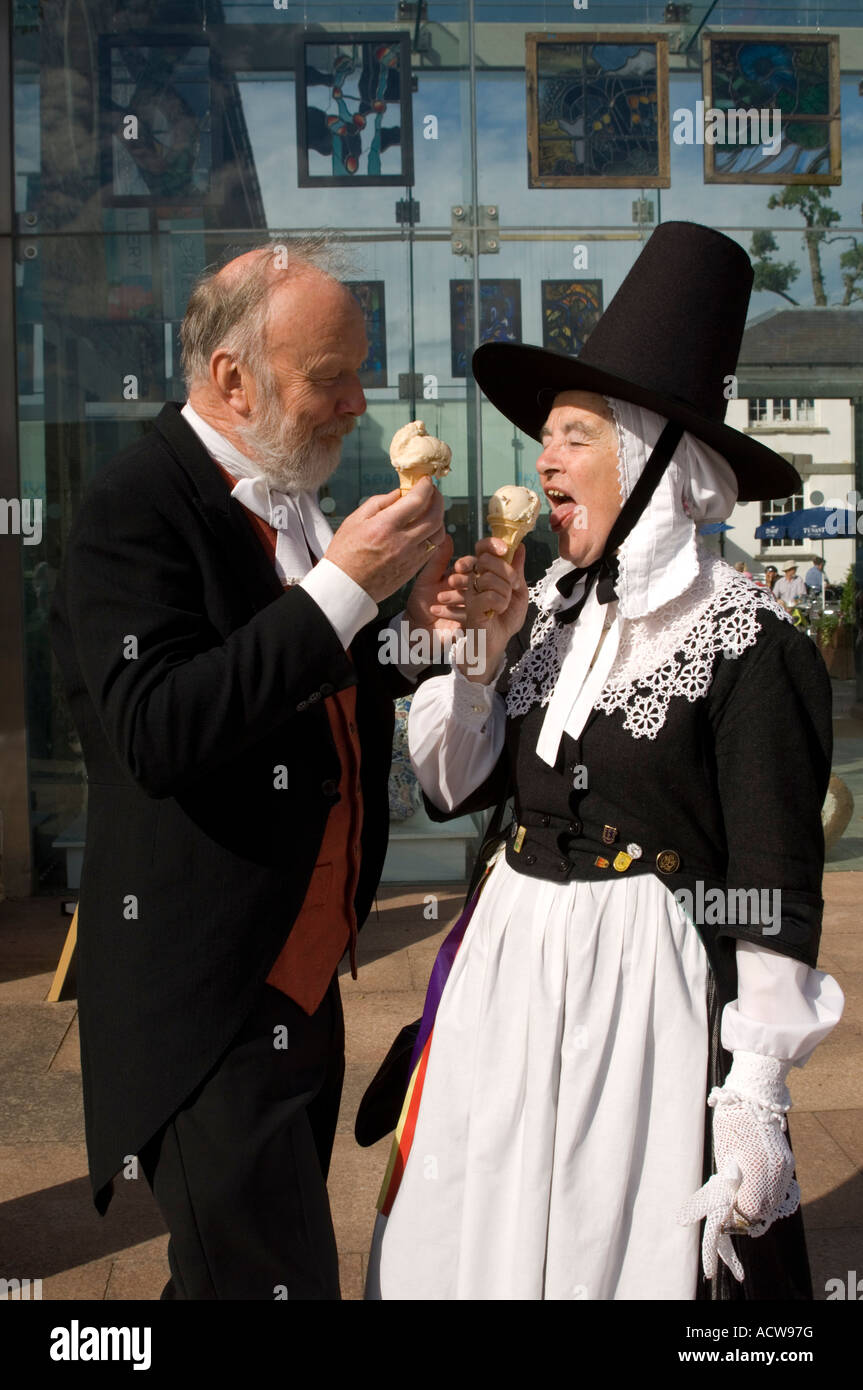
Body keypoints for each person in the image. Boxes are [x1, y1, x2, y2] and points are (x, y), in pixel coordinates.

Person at [365, 222, 843, 1301]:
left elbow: (770, 886)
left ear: (653, 454)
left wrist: (753, 1096)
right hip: (507, 987)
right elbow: (449, 787)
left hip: (642, 1011)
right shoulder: (544, 611)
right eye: (545, 436)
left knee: (609, 1248)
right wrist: (474, 666)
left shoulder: (748, 647)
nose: (541, 460)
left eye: (571, 434)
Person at [49, 238, 455, 1300]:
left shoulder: (290, 496)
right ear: (233, 379)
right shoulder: (132, 507)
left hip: (301, 981)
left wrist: (422, 629)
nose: (358, 404)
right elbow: (159, 730)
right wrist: (344, 590)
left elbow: (325, 693)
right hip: (207, 998)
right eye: (331, 378)